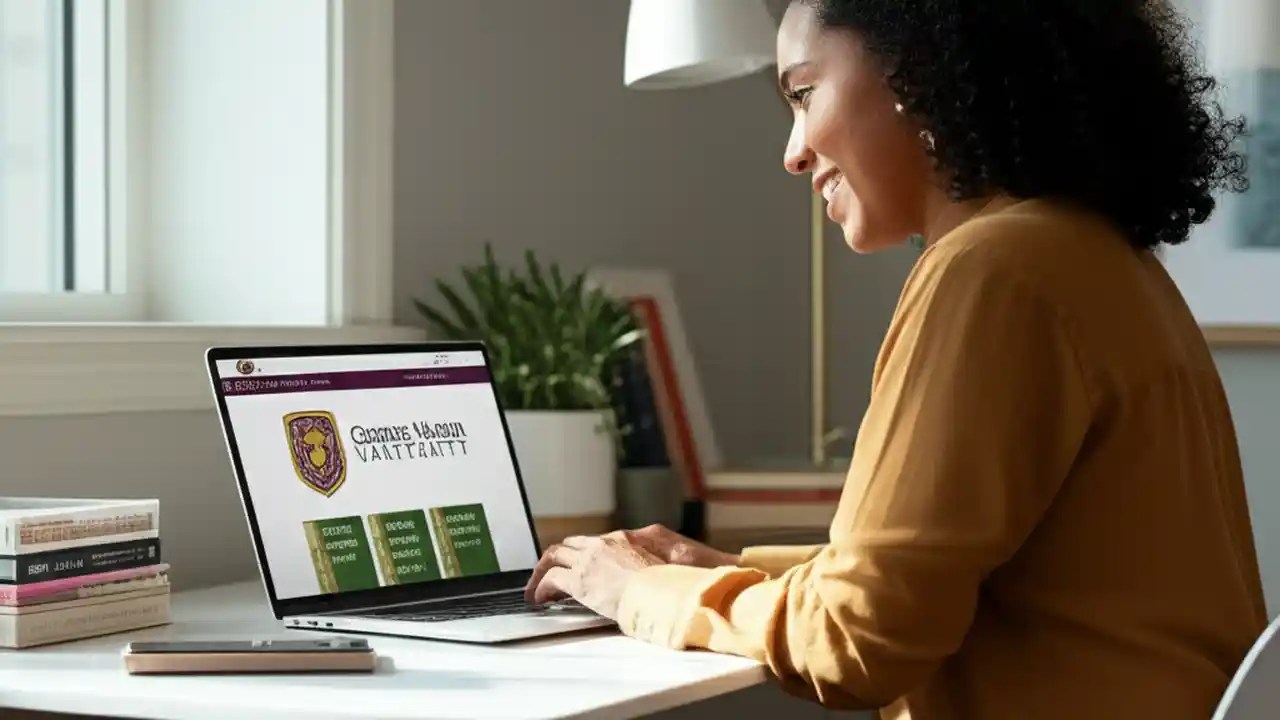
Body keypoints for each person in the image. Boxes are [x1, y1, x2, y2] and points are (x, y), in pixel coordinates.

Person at [525, 0, 1268, 717]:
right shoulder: (1098, 258)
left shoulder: (995, 269)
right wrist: (718, 570)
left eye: (804, 93)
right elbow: (936, 581)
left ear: (919, 71)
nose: (793, 152)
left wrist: (637, 594)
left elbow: (856, 642)